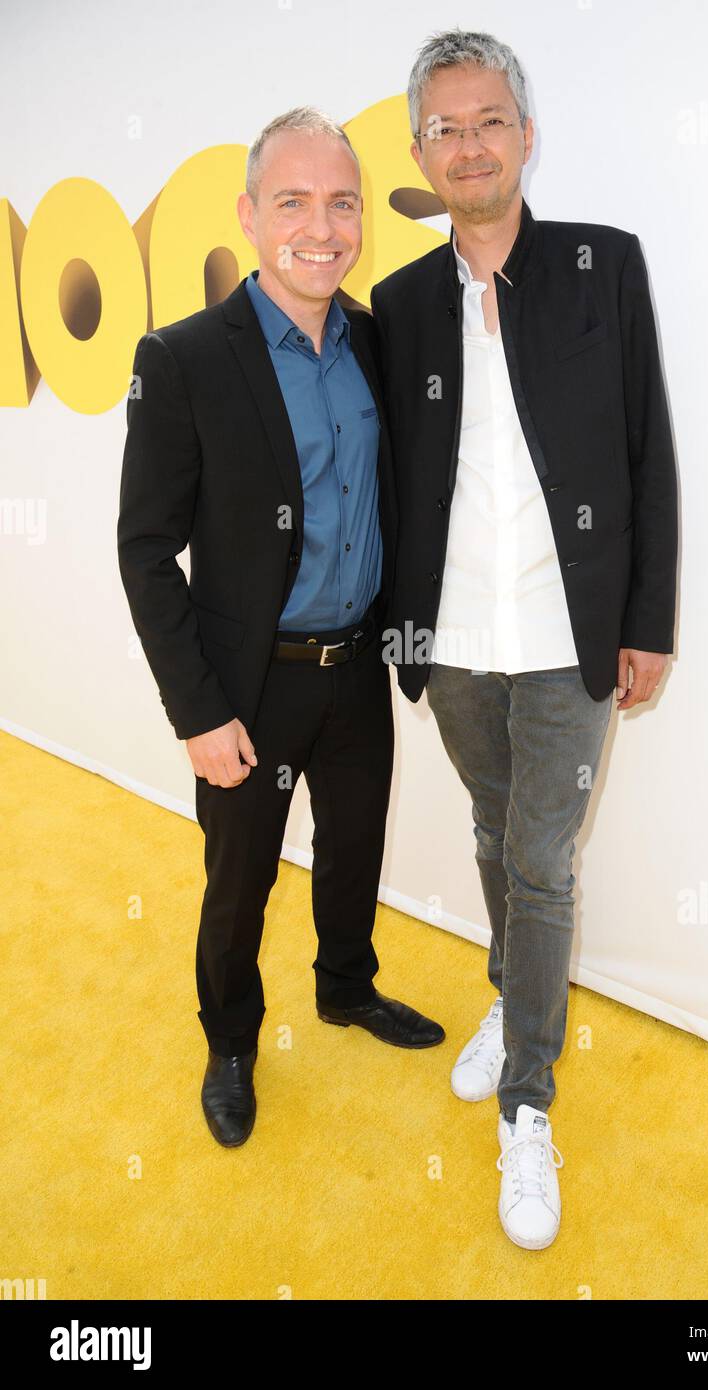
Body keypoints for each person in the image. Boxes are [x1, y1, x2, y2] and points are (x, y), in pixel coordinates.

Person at [371, 30, 678, 1249]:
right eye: (444, 127)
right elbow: (393, 472)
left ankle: (525, 1103)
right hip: (450, 636)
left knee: (542, 861)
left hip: (567, 634)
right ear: (419, 153)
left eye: (487, 118)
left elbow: (646, 447)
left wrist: (644, 621)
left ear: (525, 131)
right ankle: (509, 992)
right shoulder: (396, 303)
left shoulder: (603, 266)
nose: (468, 142)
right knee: (496, 828)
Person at [117, 107, 444, 1150]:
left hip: (356, 668)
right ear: (251, 217)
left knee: (354, 851)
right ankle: (230, 1042)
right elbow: (142, 548)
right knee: (239, 882)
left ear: (361, 218)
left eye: (341, 202)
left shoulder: (377, 342)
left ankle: (346, 987)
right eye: (293, 201)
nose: (322, 224)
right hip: (246, 685)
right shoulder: (183, 360)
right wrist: (199, 711)